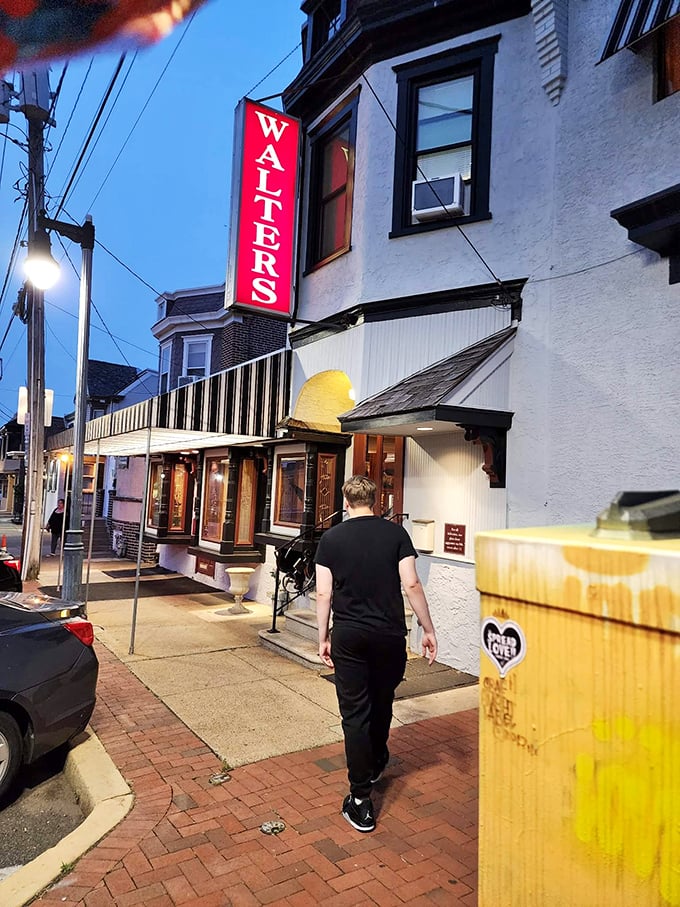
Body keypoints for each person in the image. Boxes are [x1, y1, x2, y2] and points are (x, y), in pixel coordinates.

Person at [315, 475, 437, 833]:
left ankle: (360, 797)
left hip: (350, 636)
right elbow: (411, 583)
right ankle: (377, 759)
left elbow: (324, 595)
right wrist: (428, 630)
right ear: (376, 499)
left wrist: (322, 636)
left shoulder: (332, 538)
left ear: (346, 502)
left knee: (355, 713)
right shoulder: (396, 534)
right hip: (388, 634)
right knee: (382, 702)